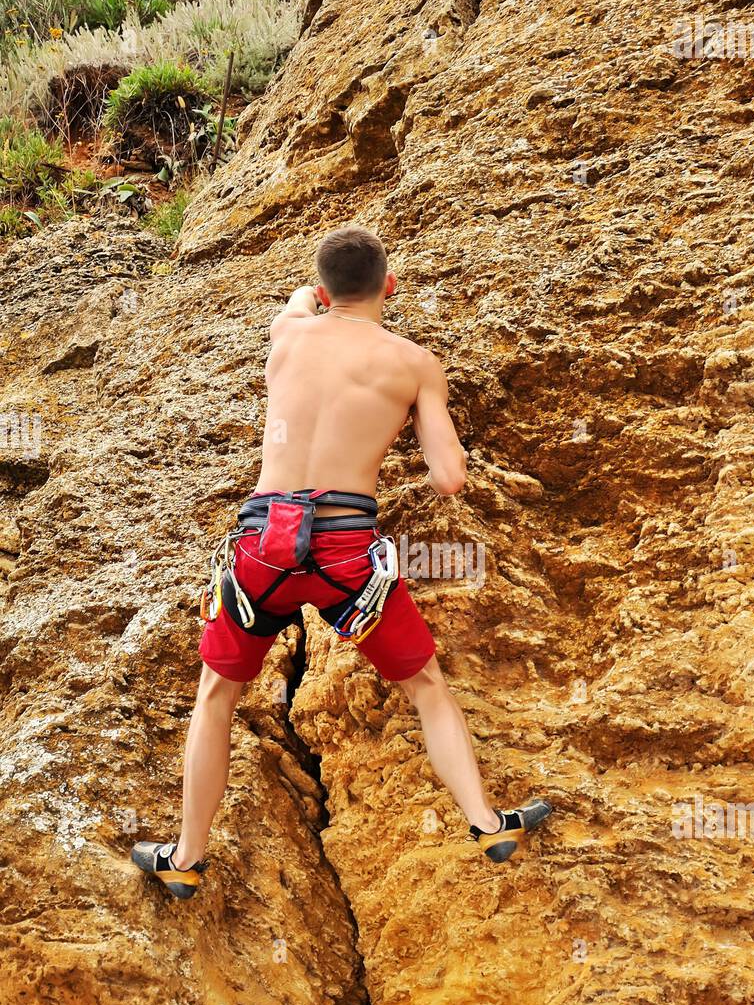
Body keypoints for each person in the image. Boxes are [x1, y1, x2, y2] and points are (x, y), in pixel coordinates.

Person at [132, 226, 551, 897]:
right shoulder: (413, 363)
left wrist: (309, 300)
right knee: (427, 690)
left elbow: (297, 302)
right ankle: (485, 822)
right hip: (345, 556)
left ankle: (185, 858)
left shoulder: (289, 333)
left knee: (215, 699)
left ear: (325, 292)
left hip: (262, 548)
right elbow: (448, 477)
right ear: (389, 285)